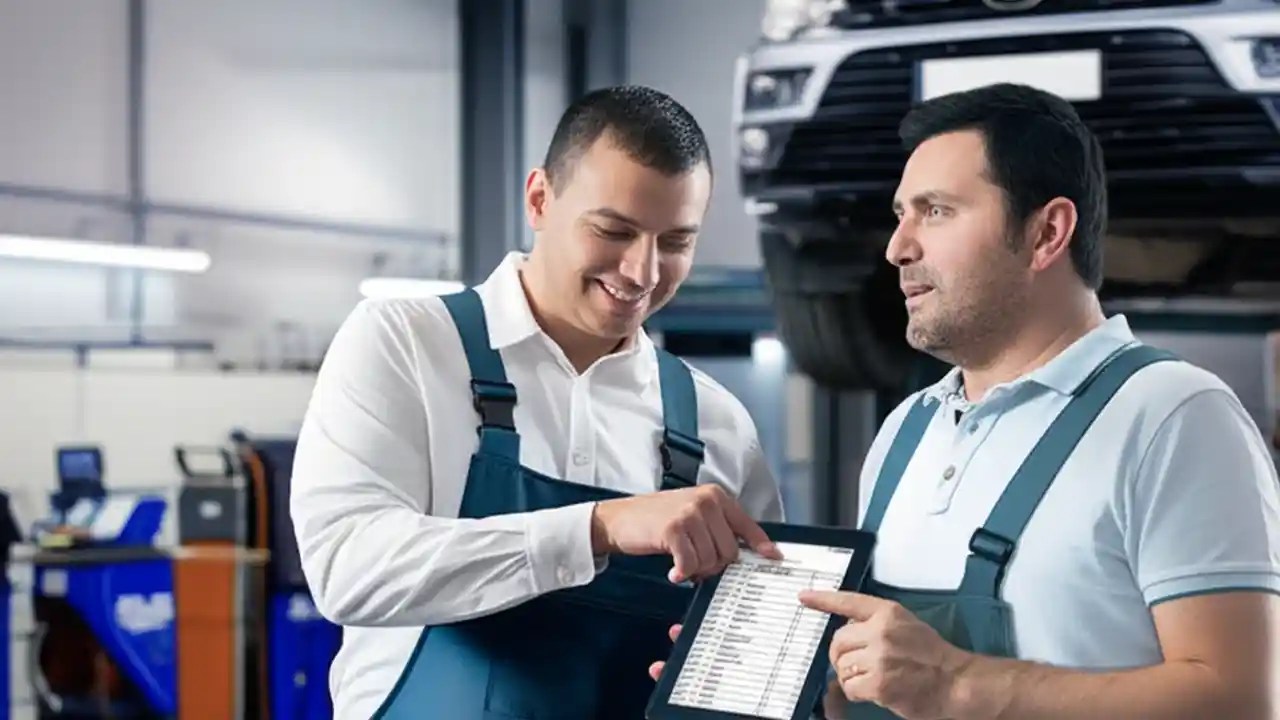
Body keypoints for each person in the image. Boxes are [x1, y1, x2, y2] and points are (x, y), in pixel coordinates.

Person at [652, 82, 1280, 719]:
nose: (898, 248)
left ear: (1046, 234)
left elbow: (1241, 701)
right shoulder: (906, 432)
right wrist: (799, 688)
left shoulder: (1174, 415)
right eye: (901, 214)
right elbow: (888, 691)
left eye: (936, 211)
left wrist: (960, 687)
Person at [290, 84, 784, 720]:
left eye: (676, 242)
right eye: (614, 230)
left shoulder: (718, 423)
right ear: (540, 200)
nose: (642, 271)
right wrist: (599, 528)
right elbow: (347, 567)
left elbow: (765, 642)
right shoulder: (406, 344)